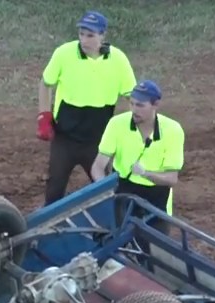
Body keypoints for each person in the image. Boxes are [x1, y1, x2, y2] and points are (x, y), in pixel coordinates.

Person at [38, 10, 137, 207]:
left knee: (105, 191)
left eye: (90, 35)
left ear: (103, 35)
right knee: (54, 190)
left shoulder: (118, 60)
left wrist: (128, 129)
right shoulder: (64, 54)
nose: (84, 40)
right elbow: (46, 83)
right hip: (65, 137)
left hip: (98, 141)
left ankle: (110, 230)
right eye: (81, 34)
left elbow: (130, 96)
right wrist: (44, 116)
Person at [90, 79, 184, 237]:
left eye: (140, 105)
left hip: (156, 199)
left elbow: (171, 179)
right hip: (123, 192)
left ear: (155, 105)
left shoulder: (173, 130)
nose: (134, 110)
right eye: (131, 104)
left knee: (155, 253)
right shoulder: (116, 124)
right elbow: (98, 166)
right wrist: (104, 190)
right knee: (115, 246)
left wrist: (146, 174)